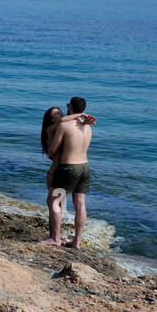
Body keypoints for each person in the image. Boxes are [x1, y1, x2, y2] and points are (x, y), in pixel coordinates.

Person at [43, 96, 95, 248]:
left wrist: (54, 157)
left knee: (54, 203)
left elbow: (52, 150)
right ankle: (76, 242)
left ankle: (55, 238)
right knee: (80, 204)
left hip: (68, 169)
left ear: (70, 107)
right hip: (84, 168)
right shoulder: (87, 126)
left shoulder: (64, 126)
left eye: (67, 105)